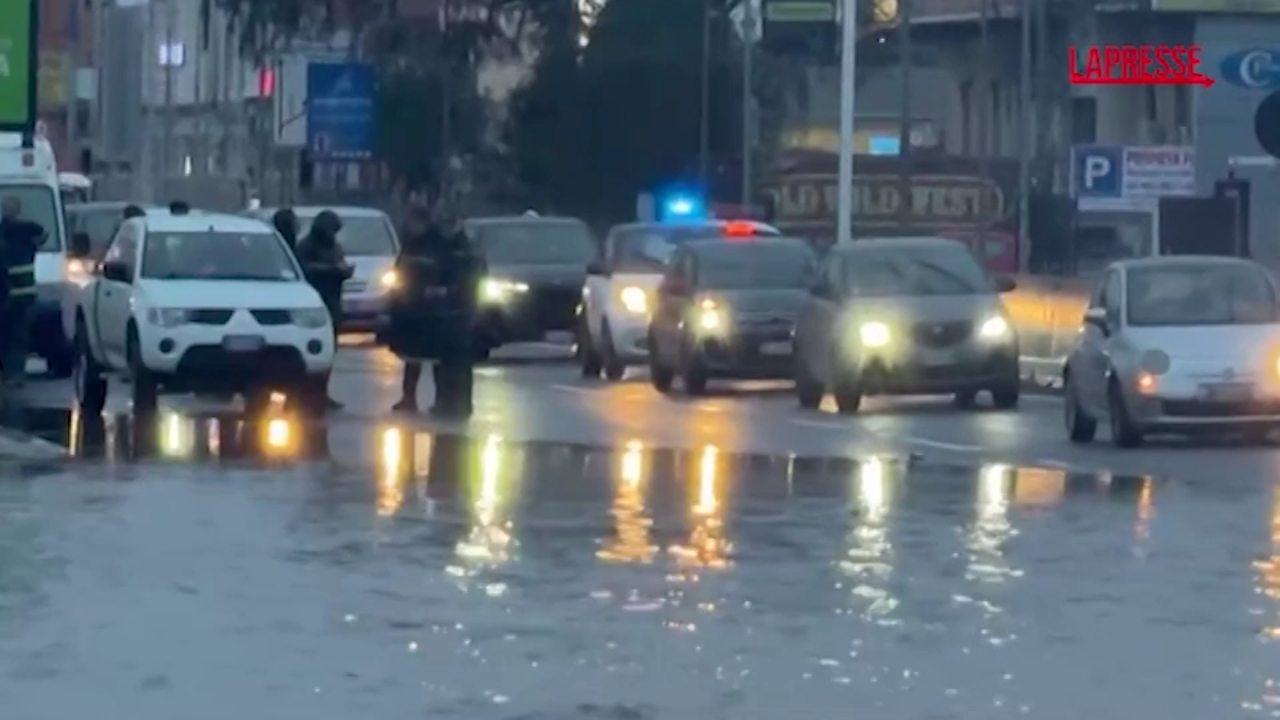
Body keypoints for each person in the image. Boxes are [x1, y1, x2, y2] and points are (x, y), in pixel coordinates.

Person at [389, 196, 484, 418]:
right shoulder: (419, 246)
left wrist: (448, 294)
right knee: (426, 357)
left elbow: (466, 278)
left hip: (453, 312)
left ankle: (455, 403)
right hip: (422, 310)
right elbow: (405, 272)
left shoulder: (458, 248)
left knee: (454, 362)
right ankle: (438, 401)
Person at [295, 209, 352, 411]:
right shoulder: (306, 246)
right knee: (314, 352)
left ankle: (322, 393)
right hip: (315, 305)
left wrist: (343, 270)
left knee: (329, 353)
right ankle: (306, 395)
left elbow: (341, 264)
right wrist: (329, 270)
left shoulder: (335, 247)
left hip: (333, 304)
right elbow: (304, 269)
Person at [0, 196, 46, 391]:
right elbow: (42, 237)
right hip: (19, 295)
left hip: (14, 295)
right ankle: (13, 374)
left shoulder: (14, 231)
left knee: (14, 336)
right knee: (15, 337)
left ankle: (13, 374)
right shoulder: (28, 230)